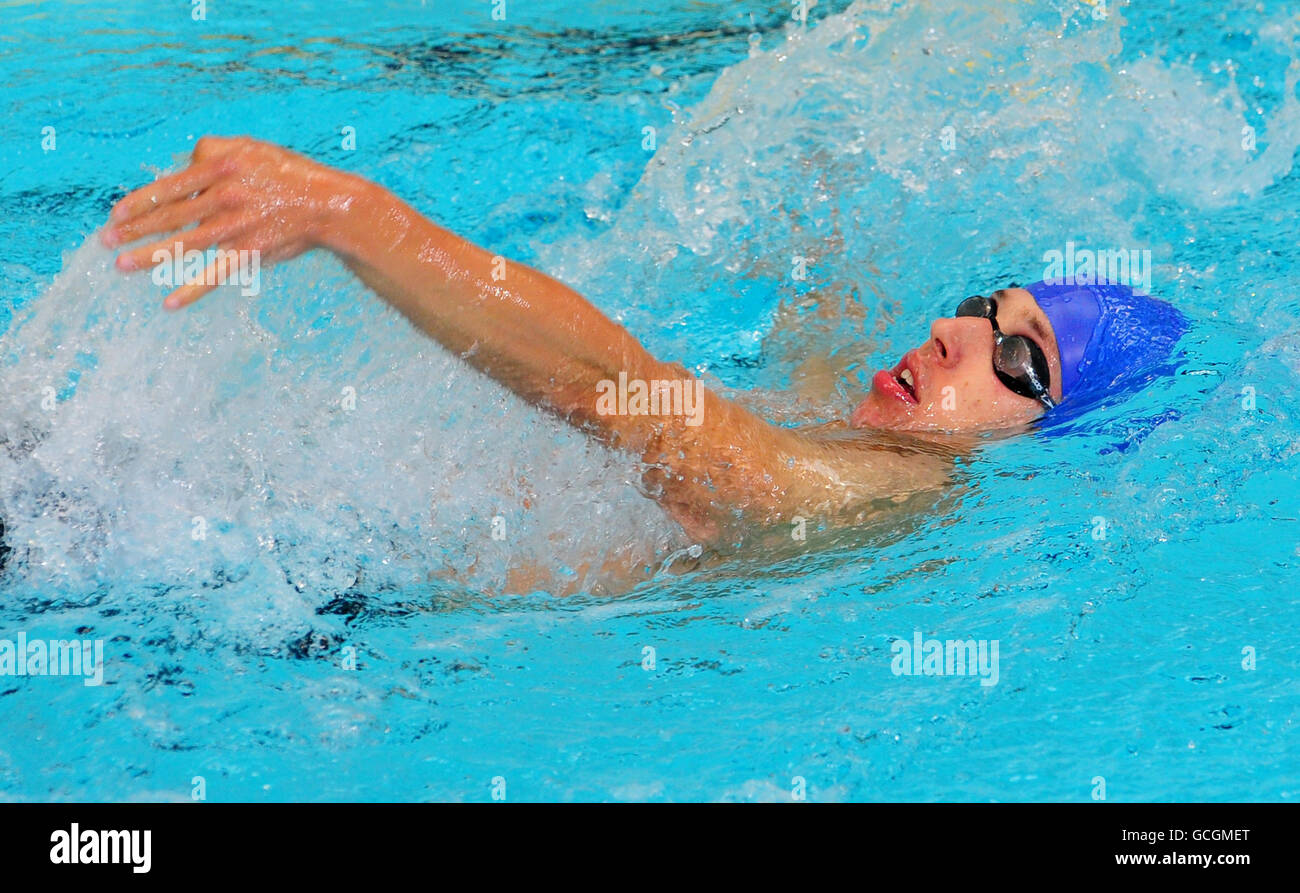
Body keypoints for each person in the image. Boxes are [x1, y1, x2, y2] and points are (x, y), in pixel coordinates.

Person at [100, 136, 1186, 585]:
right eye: (977, 308)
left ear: (1056, 447)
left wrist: (349, 214)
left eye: (1019, 361)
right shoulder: (842, 408)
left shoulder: (885, 496)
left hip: (280, 600)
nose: (953, 335)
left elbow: (622, 398)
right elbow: (825, 280)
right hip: (253, 525)